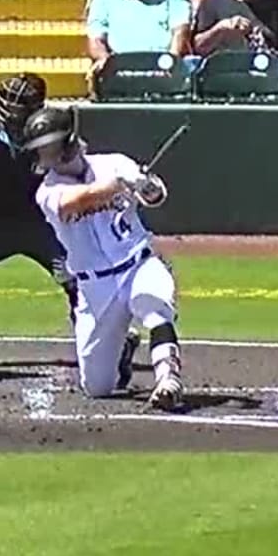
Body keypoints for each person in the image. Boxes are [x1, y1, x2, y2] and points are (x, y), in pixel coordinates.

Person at [22, 107, 185, 411]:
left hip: (138, 264)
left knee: (153, 302)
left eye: (48, 148)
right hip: (95, 288)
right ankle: (123, 348)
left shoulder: (115, 163)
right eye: (41, 150)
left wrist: (144, 184)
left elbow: (156, 196)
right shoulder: (48, 192)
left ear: (67, 142)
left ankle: (168, 378)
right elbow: (77, 201)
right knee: (97, 386)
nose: (45, 157)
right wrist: (120, 183)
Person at [0, 73, 79, 328]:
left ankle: (102, 336)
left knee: (80, 278)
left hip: (43, 223)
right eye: (8, 109)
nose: (12, 117)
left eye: (19, 110)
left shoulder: (54, 131)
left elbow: (76, 176)